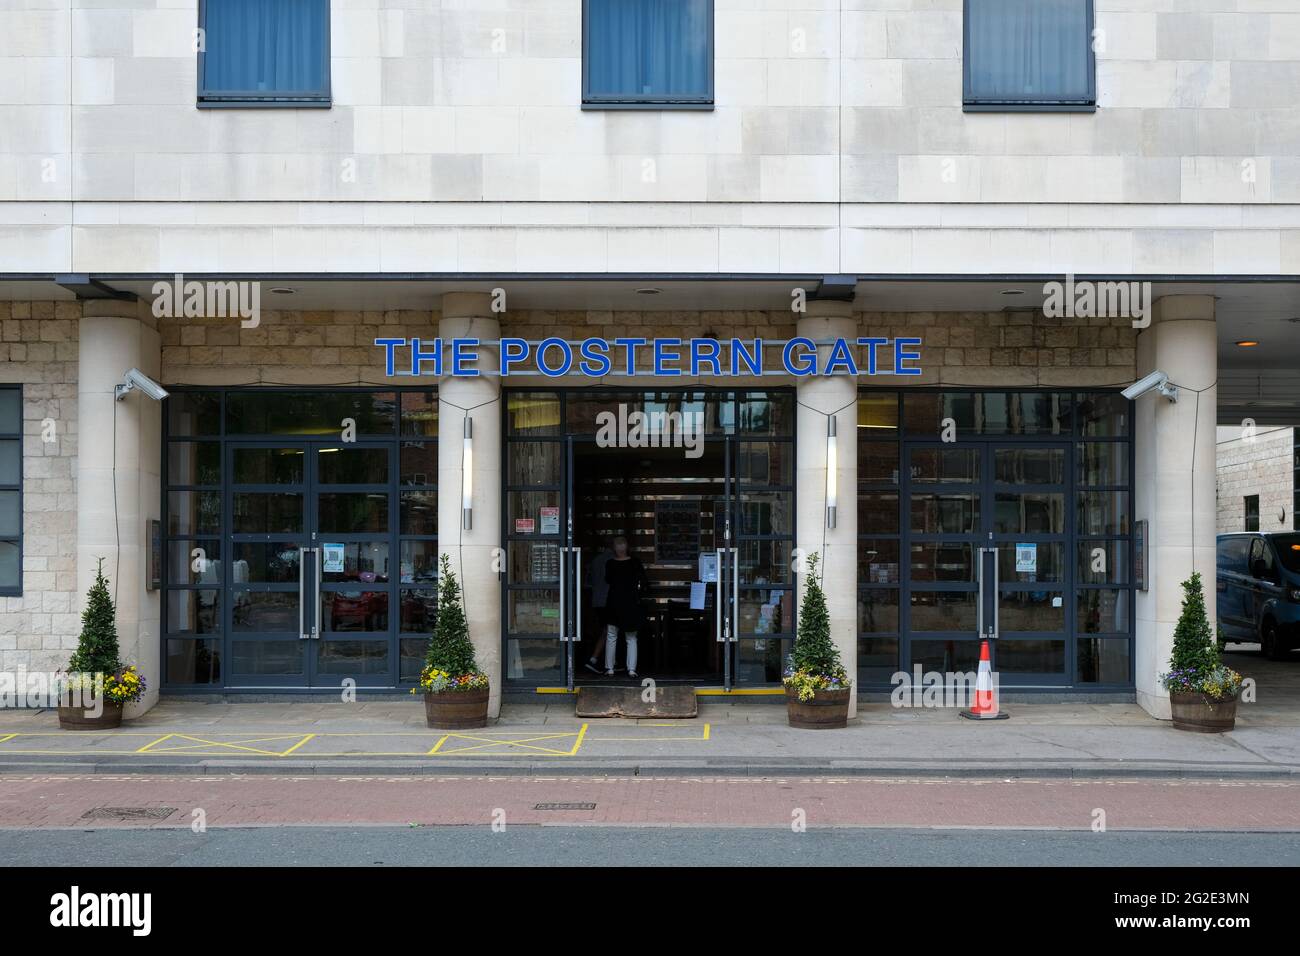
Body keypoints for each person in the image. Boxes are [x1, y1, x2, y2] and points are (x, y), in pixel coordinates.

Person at [602, 535, 650, 678]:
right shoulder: (635, 562)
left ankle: (609, 668)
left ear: (614, 548)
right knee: (631, 637)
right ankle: (632, 669)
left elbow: (608, 580)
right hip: (630, 602)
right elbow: (644, 582)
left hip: (614, 602)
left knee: (611, 635)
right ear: (626, 546)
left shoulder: (610, 564)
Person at [583, 545, 613, 674]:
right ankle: (594, 659)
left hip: (596, 600)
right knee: (608, 631)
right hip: (608, 600)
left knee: (605, 630)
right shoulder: (613, 560)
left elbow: (588, 581)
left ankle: (606, 660)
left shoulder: (595, 560)